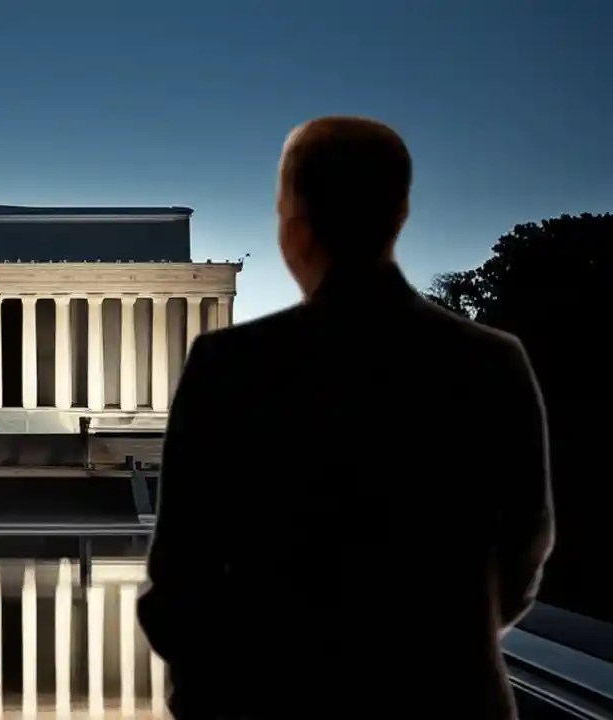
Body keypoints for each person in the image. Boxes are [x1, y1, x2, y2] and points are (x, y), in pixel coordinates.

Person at [138, 116, 554, 720]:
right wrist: (433, 644)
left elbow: (179, 579)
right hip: (448, 697)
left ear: (295, 227)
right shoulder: (491, 362)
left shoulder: (229, 367)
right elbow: (523, 552)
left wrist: (209, 687)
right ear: (400, 214)